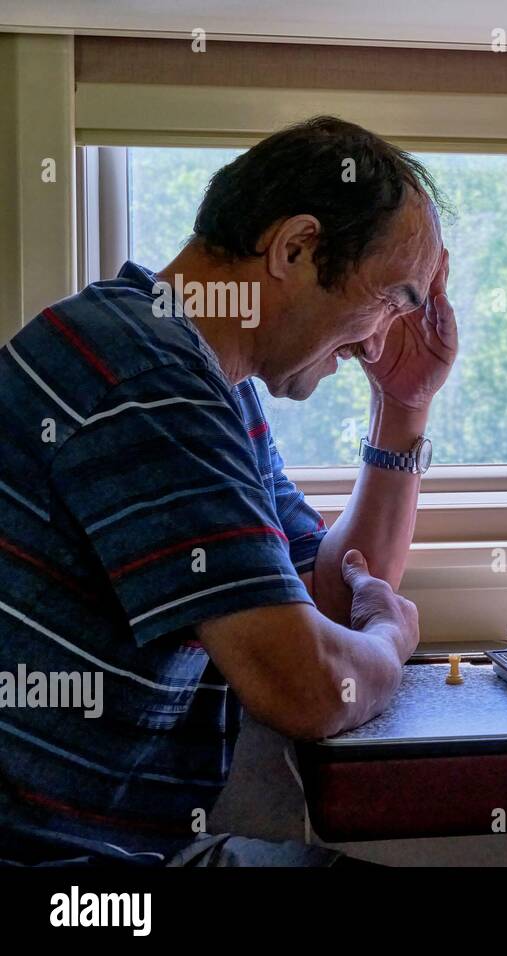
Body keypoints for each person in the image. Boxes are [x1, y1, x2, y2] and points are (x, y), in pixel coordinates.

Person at [0, 116, 455, 866]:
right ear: (295, 248)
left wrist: (404, 406)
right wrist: (392, 642)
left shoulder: (206, 383)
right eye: (390, 301)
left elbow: (332, 595)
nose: (379, 343)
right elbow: (307, 687)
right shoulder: (143, 376)